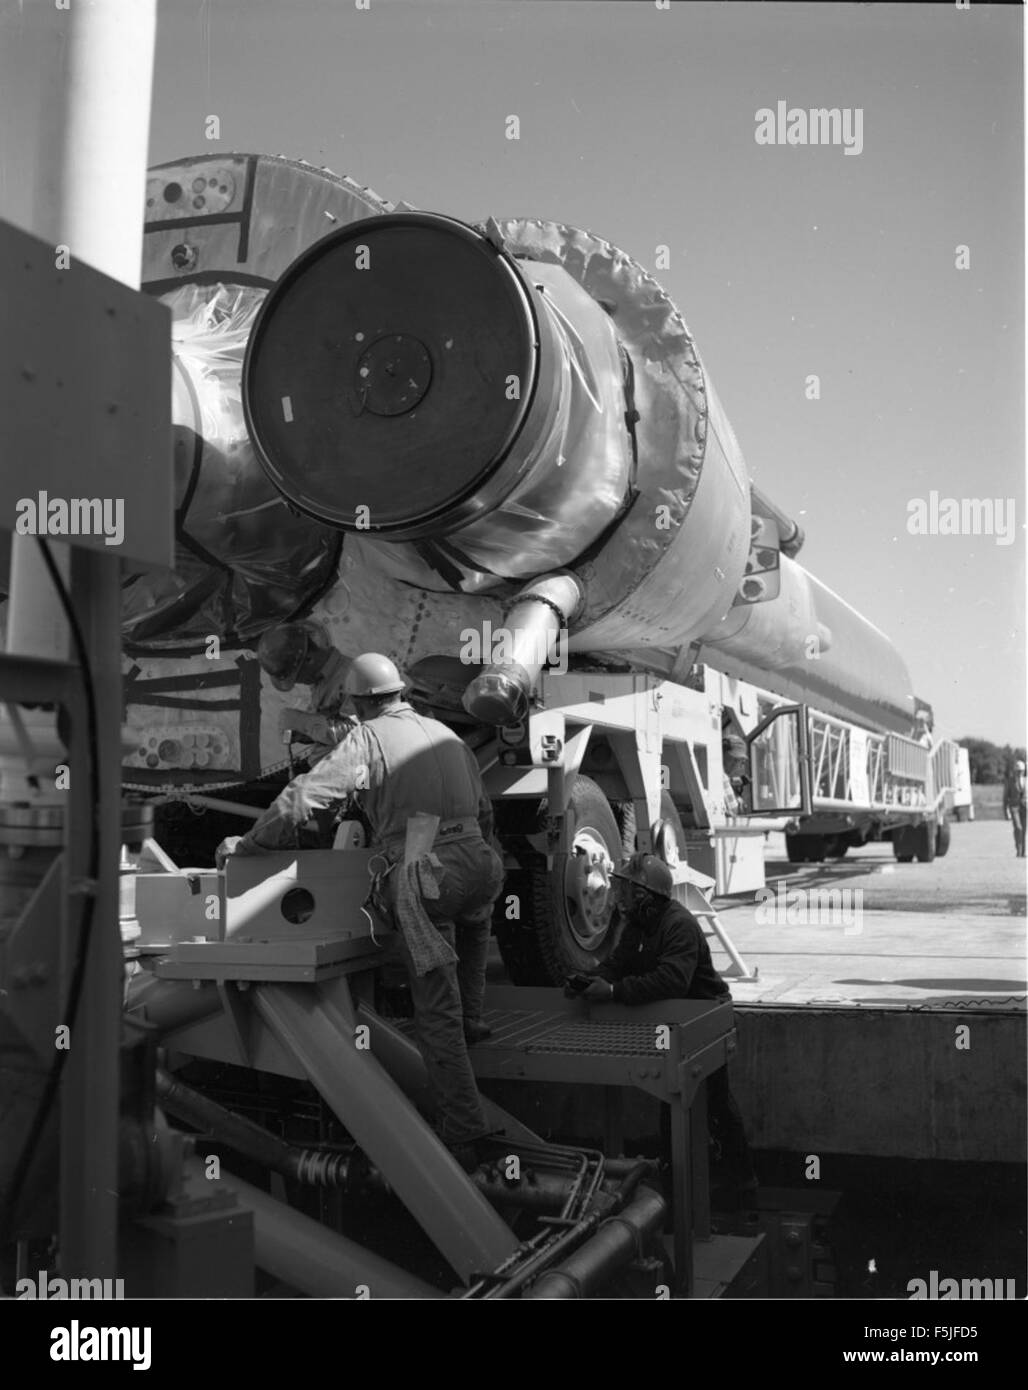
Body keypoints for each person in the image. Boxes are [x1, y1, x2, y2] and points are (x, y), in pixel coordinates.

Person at [217, 652, 504, 1165]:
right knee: (474, 917)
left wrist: (250, 847)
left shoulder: (367, 739)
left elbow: (305, 799)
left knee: (435, 1005)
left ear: (358, 704)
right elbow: (483, 812)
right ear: (400, 694)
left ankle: (465, 1127)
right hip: (483, 865)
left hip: (426, 877)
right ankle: (475, 1022)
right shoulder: (446, 736)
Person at [566, 851, 758, 1206]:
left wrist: (612, 991)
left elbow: (672, 980)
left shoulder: (678, 924)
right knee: (674, 1110)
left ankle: (739, 1184)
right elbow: (616, 963)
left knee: (714, 1104)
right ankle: (678, 1190)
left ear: (643, 895)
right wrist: (589, 980)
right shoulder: (639, 925)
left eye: (626, 889)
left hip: (705, 1020)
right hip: (676, 1024)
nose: (620, 896)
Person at [256, 620, 354, 765]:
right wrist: (302, 735)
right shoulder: (321, 681)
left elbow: (359, 734)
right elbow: (331, 727)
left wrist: (304, 722)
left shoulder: (351, 676)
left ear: (309, 659)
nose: (297, 683)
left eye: (296, 677)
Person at [1003, 758, 1027, 858]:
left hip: (1025, 807)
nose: (1020, 772)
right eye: (1018, 771)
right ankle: (1018, 849)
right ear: (1015, 771)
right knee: (1018, 828)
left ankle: (1023, 852)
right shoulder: (1009, 781)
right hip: (1014, 808)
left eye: (1021, 771)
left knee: (1024, 830)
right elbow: (1005, 797)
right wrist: (1005, 811)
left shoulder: (1027, 780)